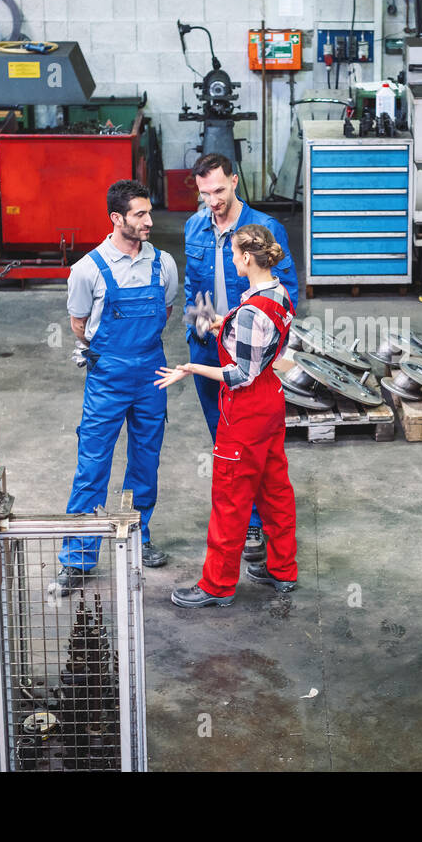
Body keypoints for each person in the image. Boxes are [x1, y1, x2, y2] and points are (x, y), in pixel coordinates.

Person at [157, 223, 299, 607]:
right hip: (272, 401)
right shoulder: (278, 294)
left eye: (235, 254)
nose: (232, 259)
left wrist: (191, 368)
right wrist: (225, 324)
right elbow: (265, 343)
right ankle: (283, 570)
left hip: (246, 410)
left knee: (230, 499)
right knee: (275, 491)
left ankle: (217, 586)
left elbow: (239, 375)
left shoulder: (253, 310)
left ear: (247, 258)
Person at [54, 179, 179, 596]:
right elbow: (79, 325)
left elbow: (167, 308)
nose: (149, 221)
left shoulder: (162, 264)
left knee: (146, 459)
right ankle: (78, 557)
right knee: (93, 464)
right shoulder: (87, 269)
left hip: (151, 373)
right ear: (116, 219)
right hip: (107, 376)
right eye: (140, 214)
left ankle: (138, 538)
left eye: (149, 212)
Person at [183, 152, 298, 565]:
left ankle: (248, 525)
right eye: (204, 194)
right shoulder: (194, 228)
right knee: (223, 441)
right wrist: (195, 325)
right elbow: (191, 287)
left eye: (218, 190)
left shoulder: (263, 229)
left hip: (247, 356)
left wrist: (273, 355)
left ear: (234, 181)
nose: (212, 201)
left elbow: (288, 294)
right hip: (209, 344)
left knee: (248, 450)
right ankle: (250, 526)